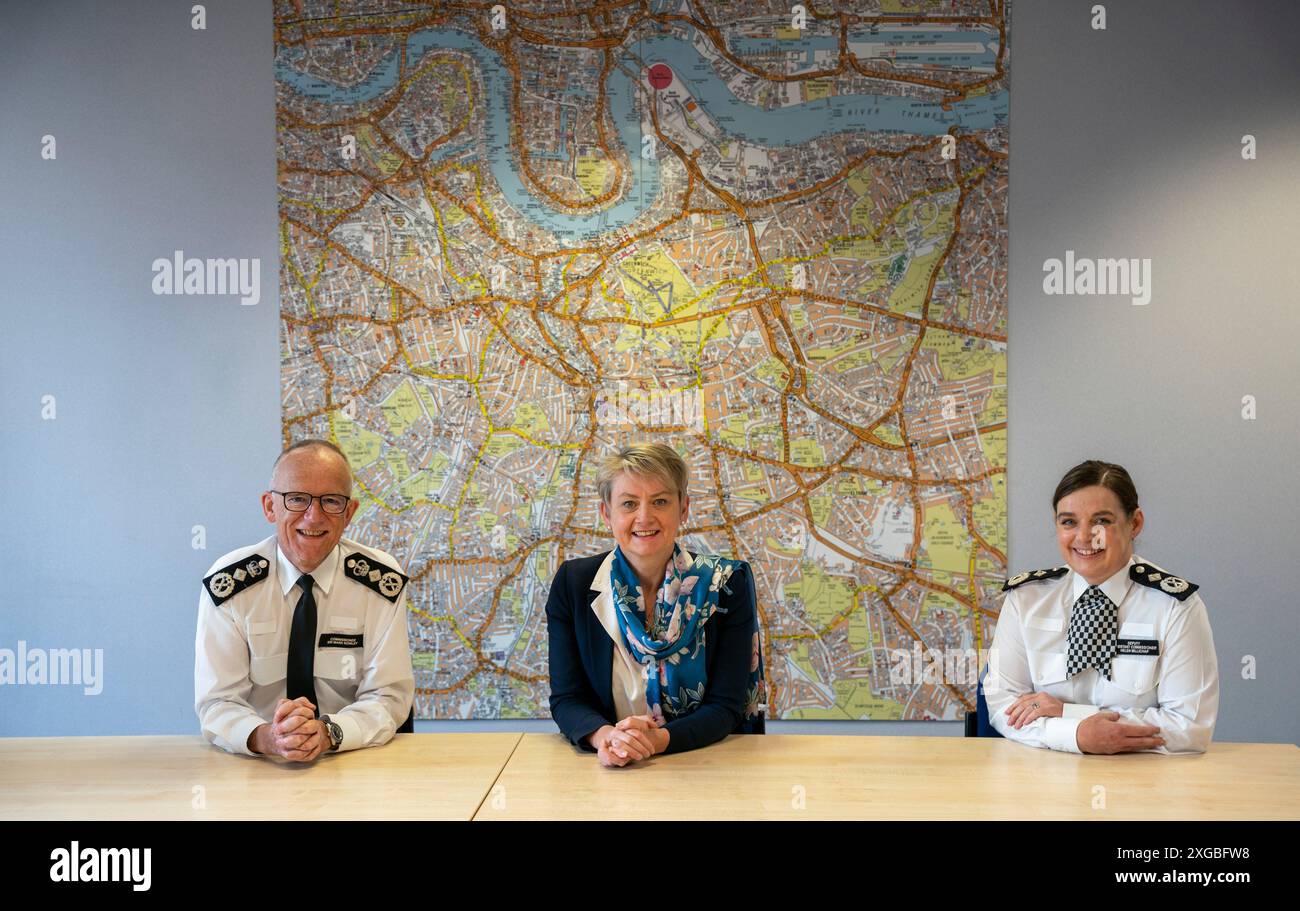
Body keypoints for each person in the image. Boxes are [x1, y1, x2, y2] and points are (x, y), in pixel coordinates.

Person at [546, 443, 765, 767]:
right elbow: (567, 698)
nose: (644, 517)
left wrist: (657, 741)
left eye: (660, 501)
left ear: (683, 508)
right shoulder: (573, 584)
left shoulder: (725, 584)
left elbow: (726, 705)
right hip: (607, 767)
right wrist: (606, 737)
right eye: (629, 503)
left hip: (706, 766)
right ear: (607, 513)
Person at [195, 439, 414, 760]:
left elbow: (389, 695)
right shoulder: (230, 583)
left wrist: (328, 733)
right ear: (270, 506)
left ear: (349, 512)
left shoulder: (381, 581)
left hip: (355, 759)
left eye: (331, 501)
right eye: (297, 499)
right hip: (260, 766)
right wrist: (266, 737)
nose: (314, 517)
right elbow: (218, 701)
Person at [984, 459, 1218, 754]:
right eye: (1068, 521)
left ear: (1134, 523)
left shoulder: (1175, 608)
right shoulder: (1026, 600)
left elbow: (1189, 728)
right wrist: (1077, 735)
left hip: (1141, 784)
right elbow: (1003, 706)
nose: (1084, 537)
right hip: (1042, 781)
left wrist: (1071, 716)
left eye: (1102, 521)